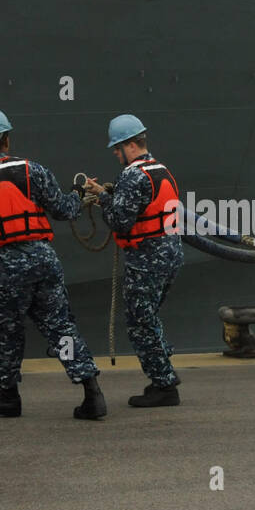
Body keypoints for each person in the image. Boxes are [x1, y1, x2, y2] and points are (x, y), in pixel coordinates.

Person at [0, 109, 107, 418]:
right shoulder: (34, 170)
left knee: (4, 329)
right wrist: (76, 193)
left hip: (6, 266)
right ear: (7, 138)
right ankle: (92, 391)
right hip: (44, 259)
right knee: (61, 325)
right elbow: (62, 209)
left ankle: (7, 396)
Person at [83, 114, 184, 408]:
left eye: (116, 148)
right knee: (149, 316)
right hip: (170, 255)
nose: (115, 153)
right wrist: (106, 192)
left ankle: (164, 385)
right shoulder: (161, 170)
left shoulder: (132, 175)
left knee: (139, 322)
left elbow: (120, 222)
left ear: (129, 145)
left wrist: (102, 199)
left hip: (147, 258)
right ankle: (164, 372)